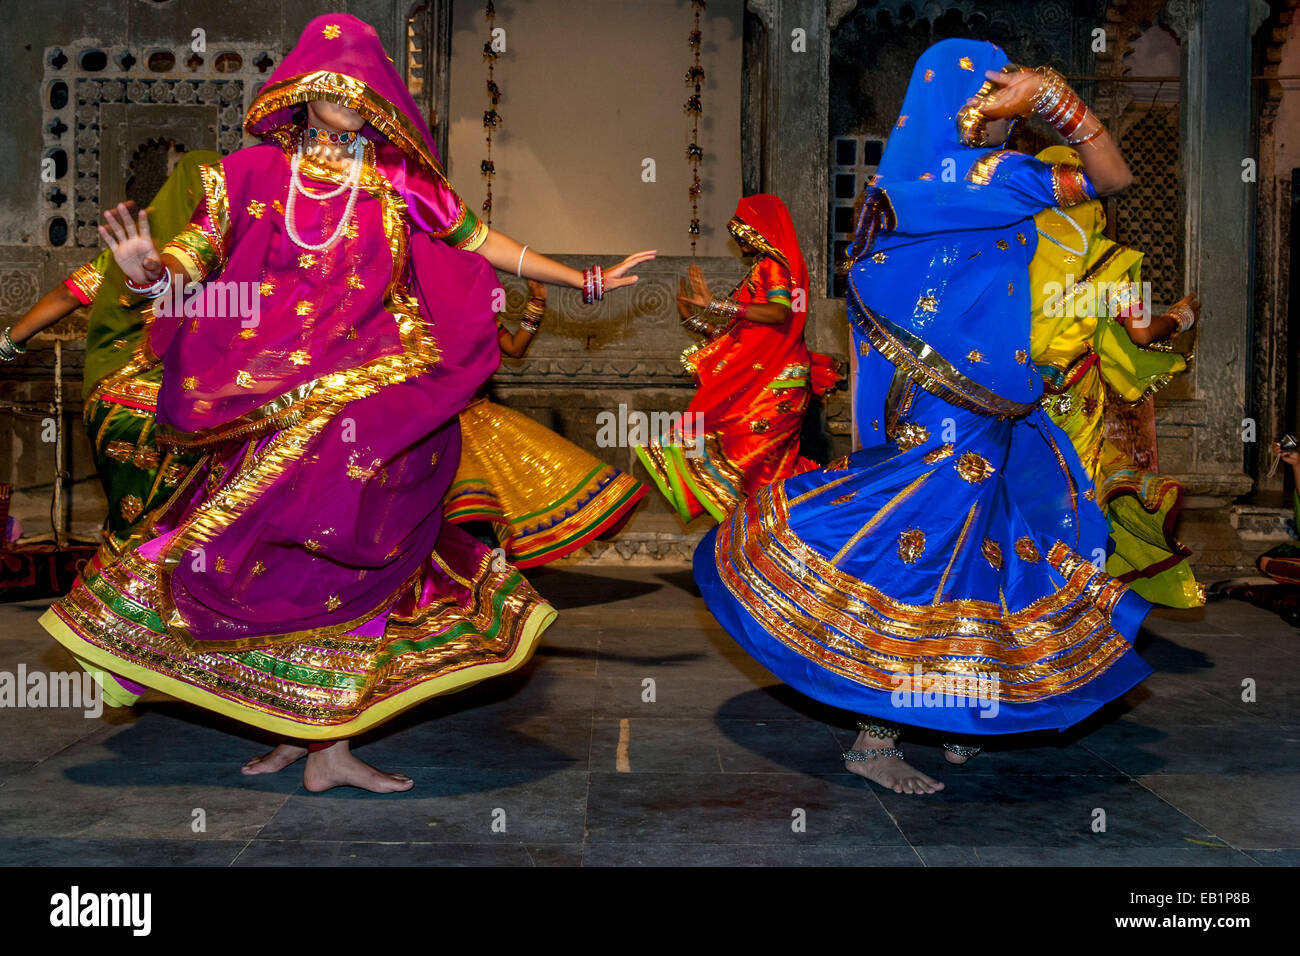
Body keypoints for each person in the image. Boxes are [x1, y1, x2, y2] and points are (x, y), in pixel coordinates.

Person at [39, 14, 654, 793]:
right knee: (259, 562)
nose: (351, 97)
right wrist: (148, 275)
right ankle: (294, 728)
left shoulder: (399, 180)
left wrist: (583, 282)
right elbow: (193, 265)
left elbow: (481, 241)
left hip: (383, 409)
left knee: (357, 563)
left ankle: (327, 743)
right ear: (301, 90)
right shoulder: (251, 173)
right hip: (271, 405)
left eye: (365, 85)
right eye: (333, 84)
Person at [695, 38, 1151, 794]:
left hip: (976, 405)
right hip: (951, 413)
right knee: (928, 551)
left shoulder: (909, 184)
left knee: (978, 550)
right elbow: (1113, 174)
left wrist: (1047, 103)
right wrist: (1060, 105)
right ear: (966, 102)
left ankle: (954, 705)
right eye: (995, 88)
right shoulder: (996, 178)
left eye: (1014, 88)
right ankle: (875, 738)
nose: (1008, 102)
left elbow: (1104, 186)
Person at [2, 149, 222, 549]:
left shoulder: (130, 252)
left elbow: (65, 296)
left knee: (132, 519)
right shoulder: (233, 257)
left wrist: (7, 343)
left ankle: (120, 589)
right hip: (195, 412)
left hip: (116, 404)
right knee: (189, 524)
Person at [1028, 145, 1202, 608]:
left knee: (1020, 487)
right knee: (1078, 491)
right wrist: (1181, 317)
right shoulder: (1113, 263)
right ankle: (1074, 604)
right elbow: (1142, 333)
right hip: (1076, 393)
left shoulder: (1015, 248)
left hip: (1017, 390)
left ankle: (1015, 600)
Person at [635, 195, 837, 523]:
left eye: (743, 230)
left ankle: (794, 538)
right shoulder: (762, 268)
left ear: (759, 230)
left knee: (749, 467)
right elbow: (748, 336)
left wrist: (715, 304)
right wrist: (695, 320)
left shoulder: (773, 266)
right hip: (770, 381)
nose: (738, 237)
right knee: (761, 475)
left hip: (774, 386)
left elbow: (777, 313)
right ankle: (773, 542)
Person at [445, 281, 647, 565]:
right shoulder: (420, 318)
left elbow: (514, 348)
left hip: (479, 419)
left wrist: (536, 304)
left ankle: (483, 577)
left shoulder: (479, 315)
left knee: (488, 506)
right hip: (439, 423)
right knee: (459, 508)